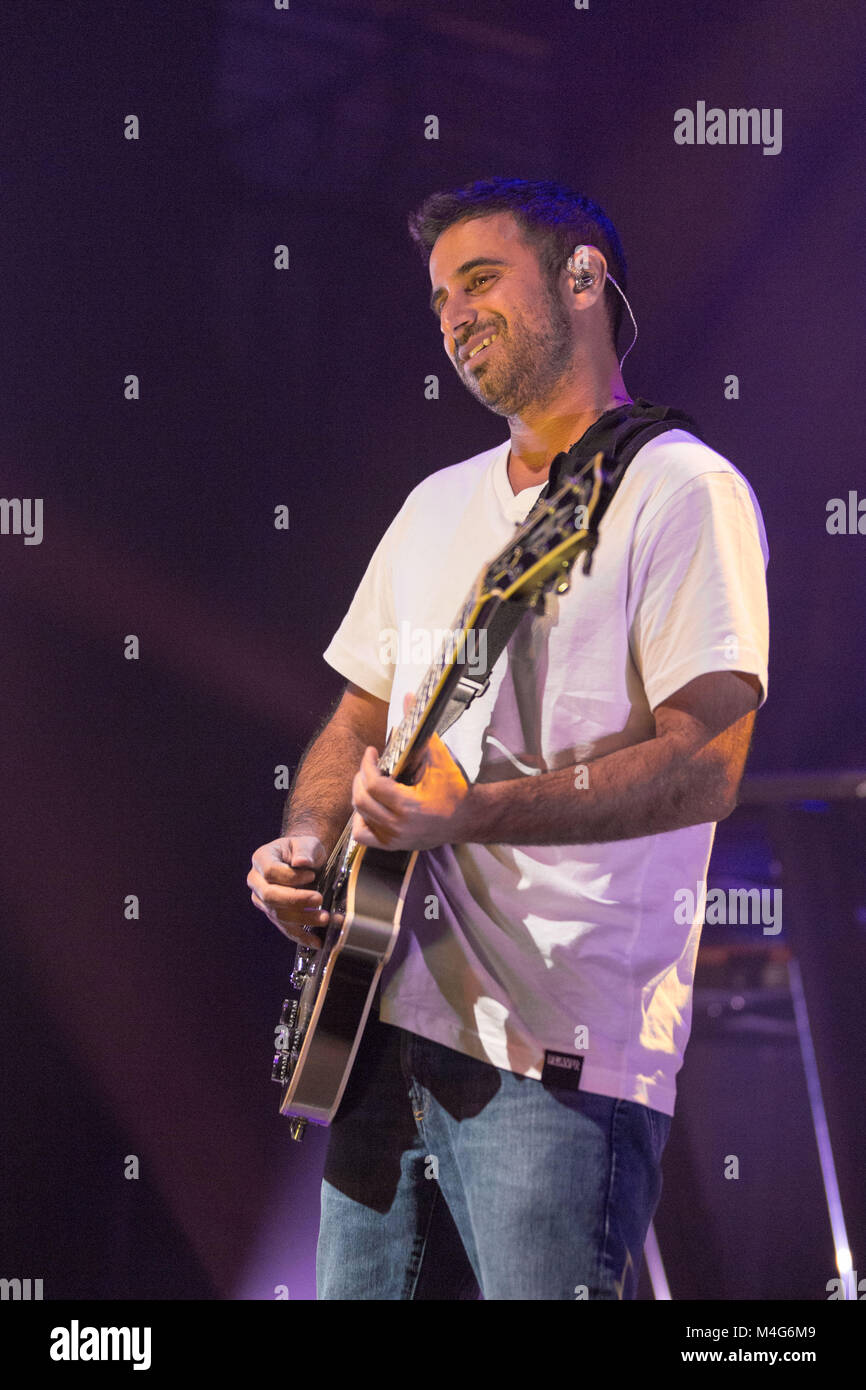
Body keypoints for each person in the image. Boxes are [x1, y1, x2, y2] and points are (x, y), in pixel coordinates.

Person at [247, 177, 770, 1300]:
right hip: (376, 1023)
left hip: (556, 1055)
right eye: (439, 296)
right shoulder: (435, 504)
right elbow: (355, 714)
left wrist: (474, 812)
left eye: (479, 279)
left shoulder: (678, 491)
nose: (451, 315)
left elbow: (706, 761)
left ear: (582, 277)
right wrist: (303, 840)